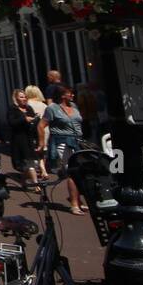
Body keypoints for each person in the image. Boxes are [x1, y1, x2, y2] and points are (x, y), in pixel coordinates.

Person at [40, 86, 86, 215]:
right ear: (62, 95)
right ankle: (74, 205)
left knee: (82, 171)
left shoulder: (74, 106)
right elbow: (41, 125)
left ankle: (76, 198)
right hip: (63, 142)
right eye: (69, 93)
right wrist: (41, 142)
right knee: (72, 171)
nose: (72, 95)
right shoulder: (52, 109)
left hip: (78, 141)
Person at [6, 89, 41, 191]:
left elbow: (34, 125)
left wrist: (35, 120)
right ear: (16, 98)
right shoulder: (12, 109)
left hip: (29, 138)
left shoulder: (29, 108)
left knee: (29, 162)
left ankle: (24, 181)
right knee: (29, 162)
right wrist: (24, 119)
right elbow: (11, 123)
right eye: (21, 97)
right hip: (18, 139)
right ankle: (36, 185)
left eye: (25, 97)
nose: (24, 99)